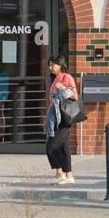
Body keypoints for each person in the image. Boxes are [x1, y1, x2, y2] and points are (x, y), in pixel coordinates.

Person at [45, 55, 77, 184]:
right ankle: (68, 176)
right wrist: (47, 117)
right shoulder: (54, 79)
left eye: (52, 65)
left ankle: (59, 172)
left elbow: (75, 96)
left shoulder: (66, 77)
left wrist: (62, 87)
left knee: (51, 147)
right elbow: (52, 102)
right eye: (49, 65)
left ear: (60, 65)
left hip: (63, 118)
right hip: (54, 117)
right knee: (64, 148)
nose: (50, 67)